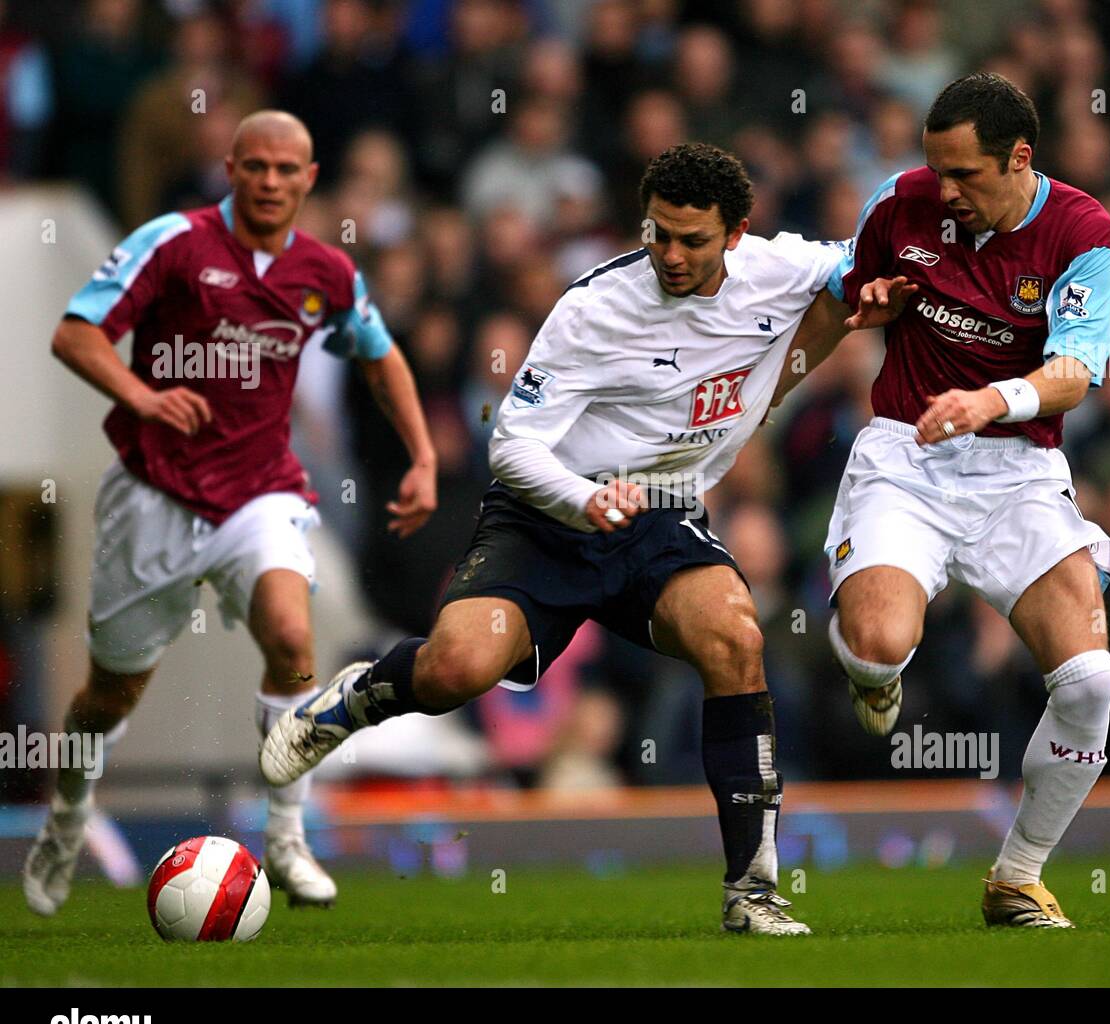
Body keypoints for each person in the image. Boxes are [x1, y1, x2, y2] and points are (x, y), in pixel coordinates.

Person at [262, 143, 853, 935]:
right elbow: (511, 444)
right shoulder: (594, 307)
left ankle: (751, 893)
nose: (671, 256)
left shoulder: (782, 267)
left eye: (693, 240)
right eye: (658, 234)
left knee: (736, 638)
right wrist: (584, 497)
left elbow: (865, 257)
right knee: (456, 668)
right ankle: (353, 699)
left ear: (736, 235)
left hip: (661, 514)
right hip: (546, 516)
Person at [23, 110, 437, 914]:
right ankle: (67, 817)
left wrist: (421, 457)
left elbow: (381, 355)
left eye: (289, 170)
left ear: (311, 179)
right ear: (232, 169)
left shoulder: (324, 271)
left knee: (291, 637)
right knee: (108, 696)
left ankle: (287, 833)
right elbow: (75, 334)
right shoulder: (171, 243)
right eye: (257, 167)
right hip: (155, 496)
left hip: (262, 493)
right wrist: (144, 395)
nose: (273, 182)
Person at [776, 73, 1110, 928]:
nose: (947, 192)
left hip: (1018, 469)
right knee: (879, 645)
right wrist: (835, 338)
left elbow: (1075, 373)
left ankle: (1017, 877)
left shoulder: (1083, 233)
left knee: (1088, 682)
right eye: (937, 171)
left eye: (965, 175)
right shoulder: (901, 202)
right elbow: (840, 303)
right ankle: (874, 678)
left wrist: (991, 401)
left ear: (1020, 158)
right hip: (907, 457)